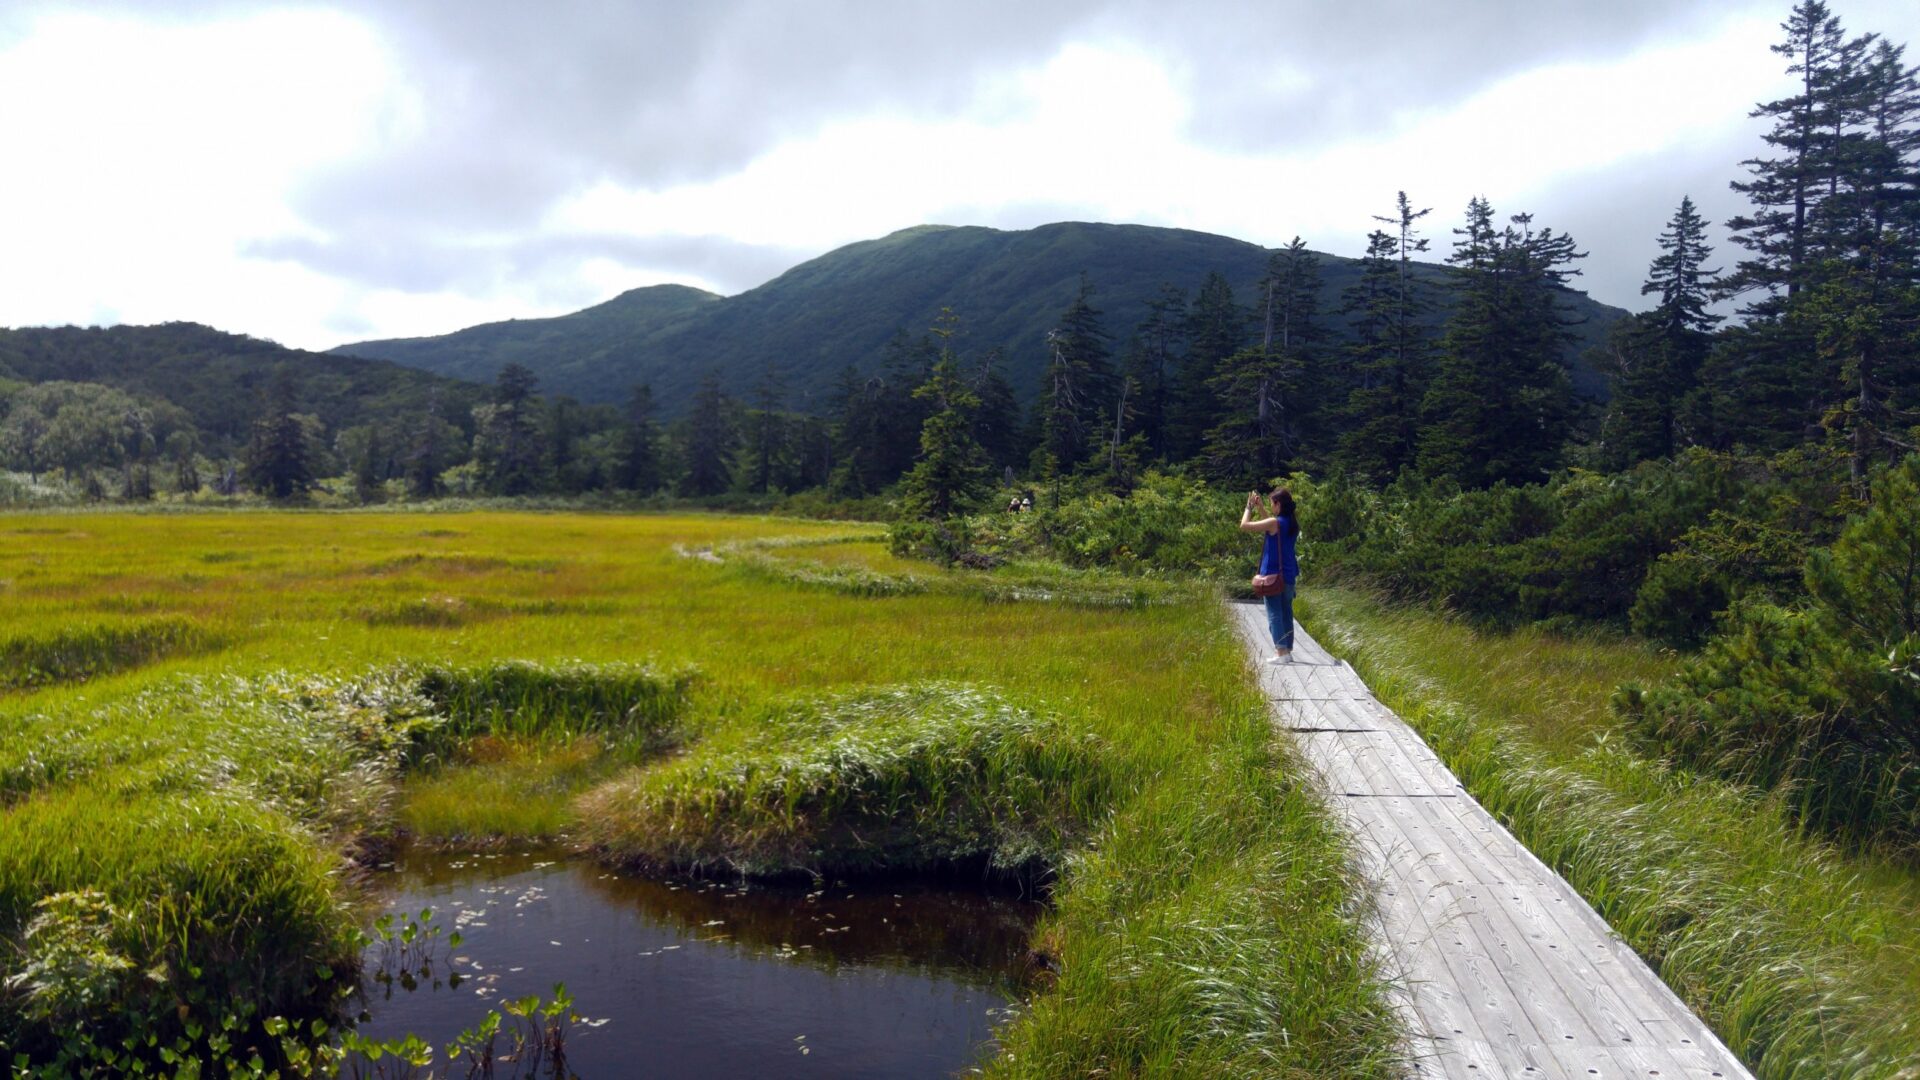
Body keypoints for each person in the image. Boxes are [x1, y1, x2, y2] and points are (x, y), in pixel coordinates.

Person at [1239, 486, 1300, 663]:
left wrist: (1249, 507)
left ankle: (1280, 652)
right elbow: (1272, 526)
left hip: (1273, 576)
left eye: (1272, 504)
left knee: (1274, 613)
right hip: (1288, 575)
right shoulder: (1291, 523)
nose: (1271, 507)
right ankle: (1287, 649)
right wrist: (1261, 508)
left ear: (1278, 505)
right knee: (1286, 612)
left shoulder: (1275, 523)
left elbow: (1244, 525)